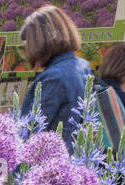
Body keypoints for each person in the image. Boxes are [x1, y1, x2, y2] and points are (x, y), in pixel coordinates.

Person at [19, 4, 91, 146]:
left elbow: (31, 131)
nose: (26, 49)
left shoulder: (54, 77)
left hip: (49, 161)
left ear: (40, 40)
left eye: (27, 43)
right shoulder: (82, 66)